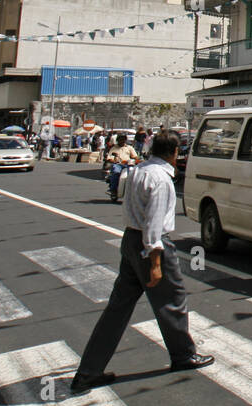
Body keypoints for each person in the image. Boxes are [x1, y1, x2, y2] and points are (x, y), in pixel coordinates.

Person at [71, 132, 213, 392]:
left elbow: (130, 208)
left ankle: (89, 371)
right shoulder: (161, 179)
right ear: (174, 153)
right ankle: (183, 356)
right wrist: (156, 262)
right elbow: (154, 225)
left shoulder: (138, 171)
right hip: (151, 245)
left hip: (130, 240)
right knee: (172, 300)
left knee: (118, 308)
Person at [106, 134, 141, 198]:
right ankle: (113, 190)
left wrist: (138, 160)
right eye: (120, 139)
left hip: (128, 165)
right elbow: (109, 157)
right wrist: (113, 160)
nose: (122, 140)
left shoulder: (129, 148)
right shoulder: (114, 148)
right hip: (118, 164)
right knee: (116, 172)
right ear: (118, 140)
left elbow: (135, 156)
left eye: (123, 139)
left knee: (135, 175)